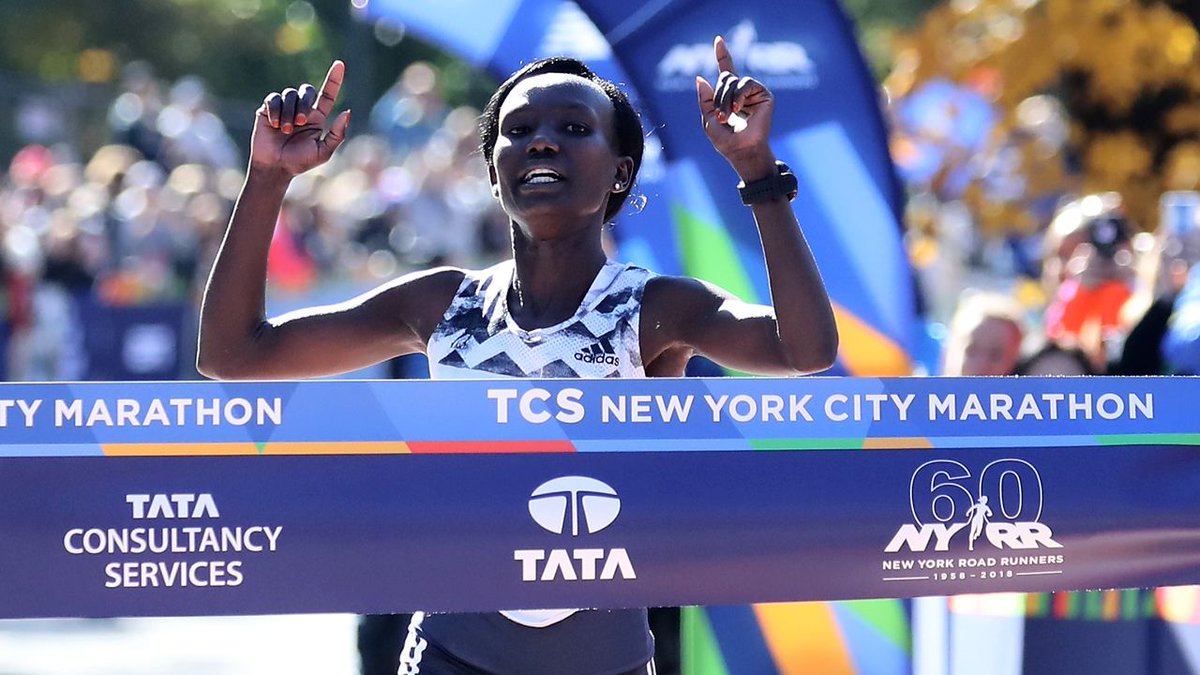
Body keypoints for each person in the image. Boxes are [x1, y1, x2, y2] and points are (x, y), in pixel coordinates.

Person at [197, 36, 838, 675]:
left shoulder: (654, 308)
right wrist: (267, 178)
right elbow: (232, 354)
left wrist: (757, 170)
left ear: (620, 170)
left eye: (573, 127)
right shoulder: (441, 304)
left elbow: (803, 350)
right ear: (494, 169)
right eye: (520, 128)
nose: (542, 140)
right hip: (449, 659)